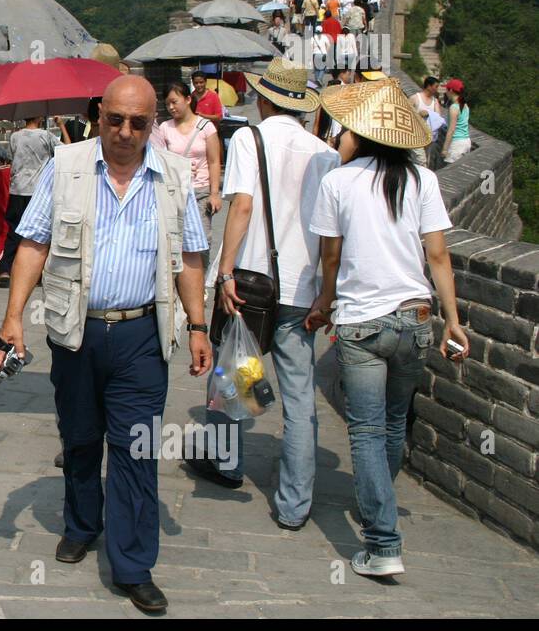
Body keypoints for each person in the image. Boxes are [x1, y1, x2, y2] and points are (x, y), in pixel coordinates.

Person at [0, 76, 211, 615]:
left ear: (153, 121)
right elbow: (34, 242)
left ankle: (134, 564)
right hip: (76, 330)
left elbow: (189, 256)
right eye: (115, 119)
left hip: (142, 333)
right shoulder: (66, 167)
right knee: (81, 435)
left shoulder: (174, 177)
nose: (125, 132)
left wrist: (199, 325)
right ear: (100, 114)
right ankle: (82, 523)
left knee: (137, 448)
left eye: (139, 122)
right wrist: (13, 317)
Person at [305, 78, 467, 577]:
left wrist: (324, 304)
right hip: (416, 319)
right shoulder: (423, 180)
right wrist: (453, 322)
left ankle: (382, 543)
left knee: (367, 430)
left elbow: (330, 259)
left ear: (362, 134)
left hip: (361, 323)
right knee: (394, 423)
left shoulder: (339, 181)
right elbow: (437, 256)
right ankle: (379, 507)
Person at [185, 58, 340, 533]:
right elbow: (331, 236)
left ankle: (228, 466)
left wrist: (225, 269)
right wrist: (327, 295)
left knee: (238, 376)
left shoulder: (251, 140)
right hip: (302, 290)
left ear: (265, 98)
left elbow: (243, 206)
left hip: (251, 287)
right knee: (299, 399)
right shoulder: (324, 153)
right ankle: (295, 504)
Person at [150, 82, 221, 254]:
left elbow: (214, 161)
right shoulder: (165, 128)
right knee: (176, 242)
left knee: (201, 241)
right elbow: (160, 158)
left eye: (174, 102)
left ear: (188, 99)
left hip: (200, 191)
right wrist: (180, 167)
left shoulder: (206, 127)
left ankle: (200, 277)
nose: (171, 107)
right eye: (167, 104)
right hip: (175, 192)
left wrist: (214, 193)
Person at [0, 117, 59, 288]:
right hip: (38, 191)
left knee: (14, 230)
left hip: (17, 189)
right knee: (38, 233)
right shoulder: (47, 136)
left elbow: (10, 157)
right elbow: (64, 152)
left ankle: (5, 270)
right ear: (39, 117)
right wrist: (61, 126)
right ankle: (37, 273)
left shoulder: (15, 137)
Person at [441, 78, 471, 163]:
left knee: (451, 170)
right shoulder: (465, 105)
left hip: (456, 143)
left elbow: (451, 129)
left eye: (446, 89)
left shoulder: (454, 108)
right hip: (466, 141)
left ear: (451, 90)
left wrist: (445, 149)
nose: (445, 92)